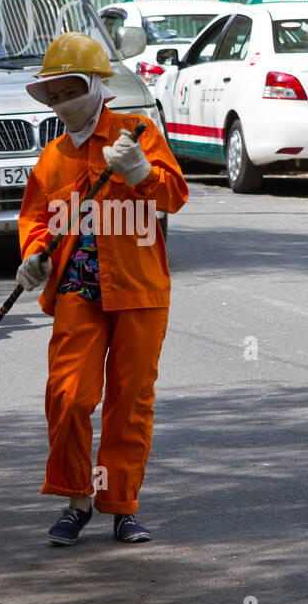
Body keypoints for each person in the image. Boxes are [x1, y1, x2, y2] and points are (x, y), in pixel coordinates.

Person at [16, 31, 188, 546]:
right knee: (68, 397)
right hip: (77, 292)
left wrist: (140, 172)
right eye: (55, 94)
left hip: (139, 291)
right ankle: (76, 500)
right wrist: (33, 255)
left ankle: (122, 505)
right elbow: (38, 219)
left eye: (71, 90)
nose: (63, 102)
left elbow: (174, 195)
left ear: (95, 85)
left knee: (128, 402)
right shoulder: (52, 158)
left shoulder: (136, 132)